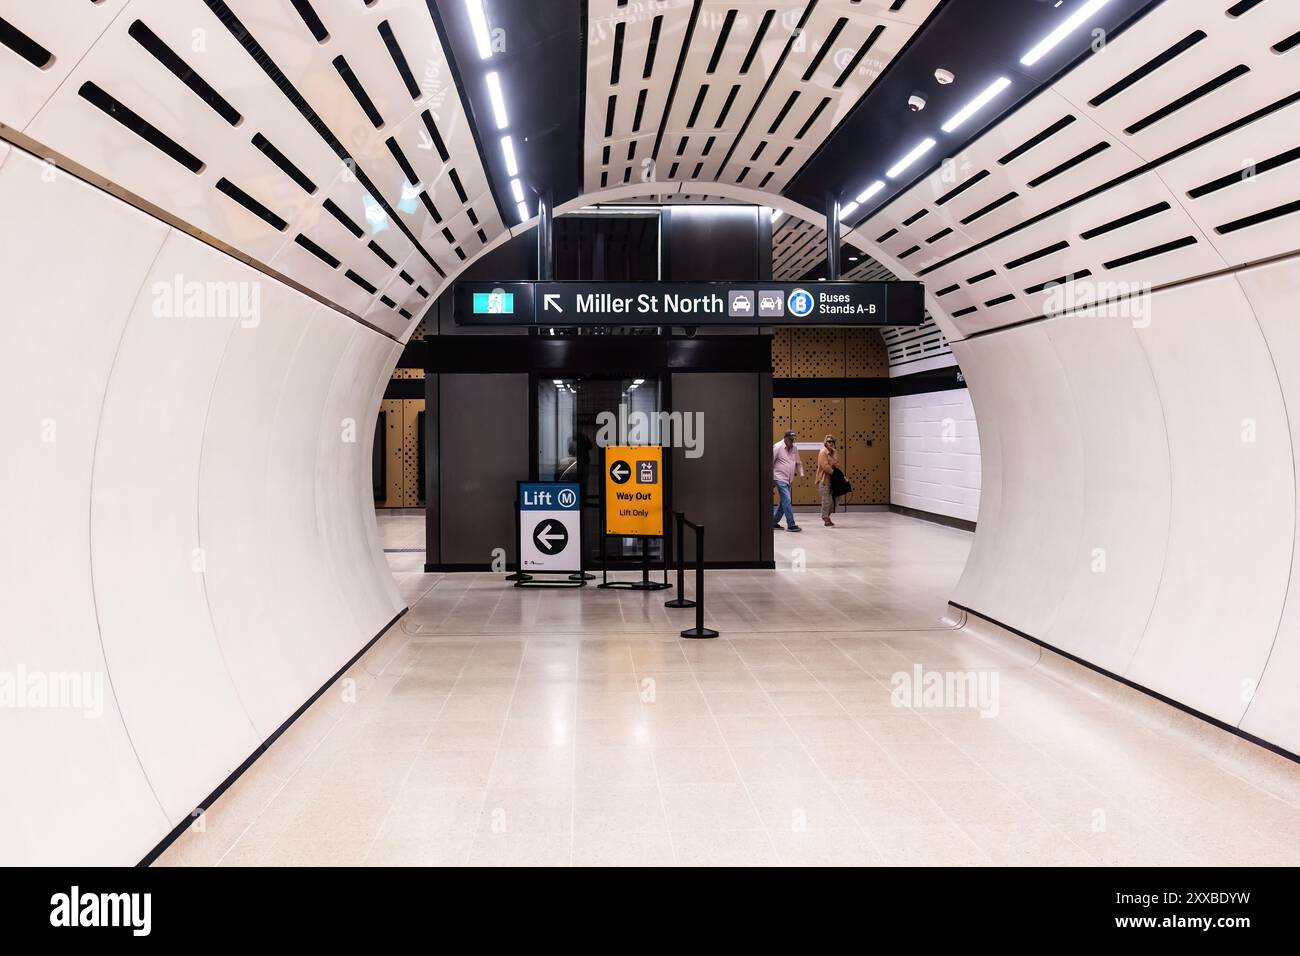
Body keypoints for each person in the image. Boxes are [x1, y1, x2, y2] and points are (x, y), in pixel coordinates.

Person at [772, 429, 805, 532]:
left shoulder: (794, 448)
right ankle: (791, 525)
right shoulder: (777, 447)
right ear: (785, 438)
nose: (792, 441)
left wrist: (802, 474)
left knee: (783, 503)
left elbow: (798, 463)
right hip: (779, 478)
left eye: (793, 439)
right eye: (791, 439)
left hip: (789, 479)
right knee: (787, 500)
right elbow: (770, 462)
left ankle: (773, 522)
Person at [816, 435, 839, 527]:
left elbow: (837, 464)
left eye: (832, 442)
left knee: (833, 500)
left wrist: (834, 464)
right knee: (826, 500)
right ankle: (825, 518)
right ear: (825, 442)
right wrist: (834, 472)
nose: (831, 443)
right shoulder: (823, 452)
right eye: (829, 441)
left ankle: (827, 516)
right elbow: (825, 466)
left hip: (832, 479)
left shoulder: (834, 452)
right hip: (824, 479)